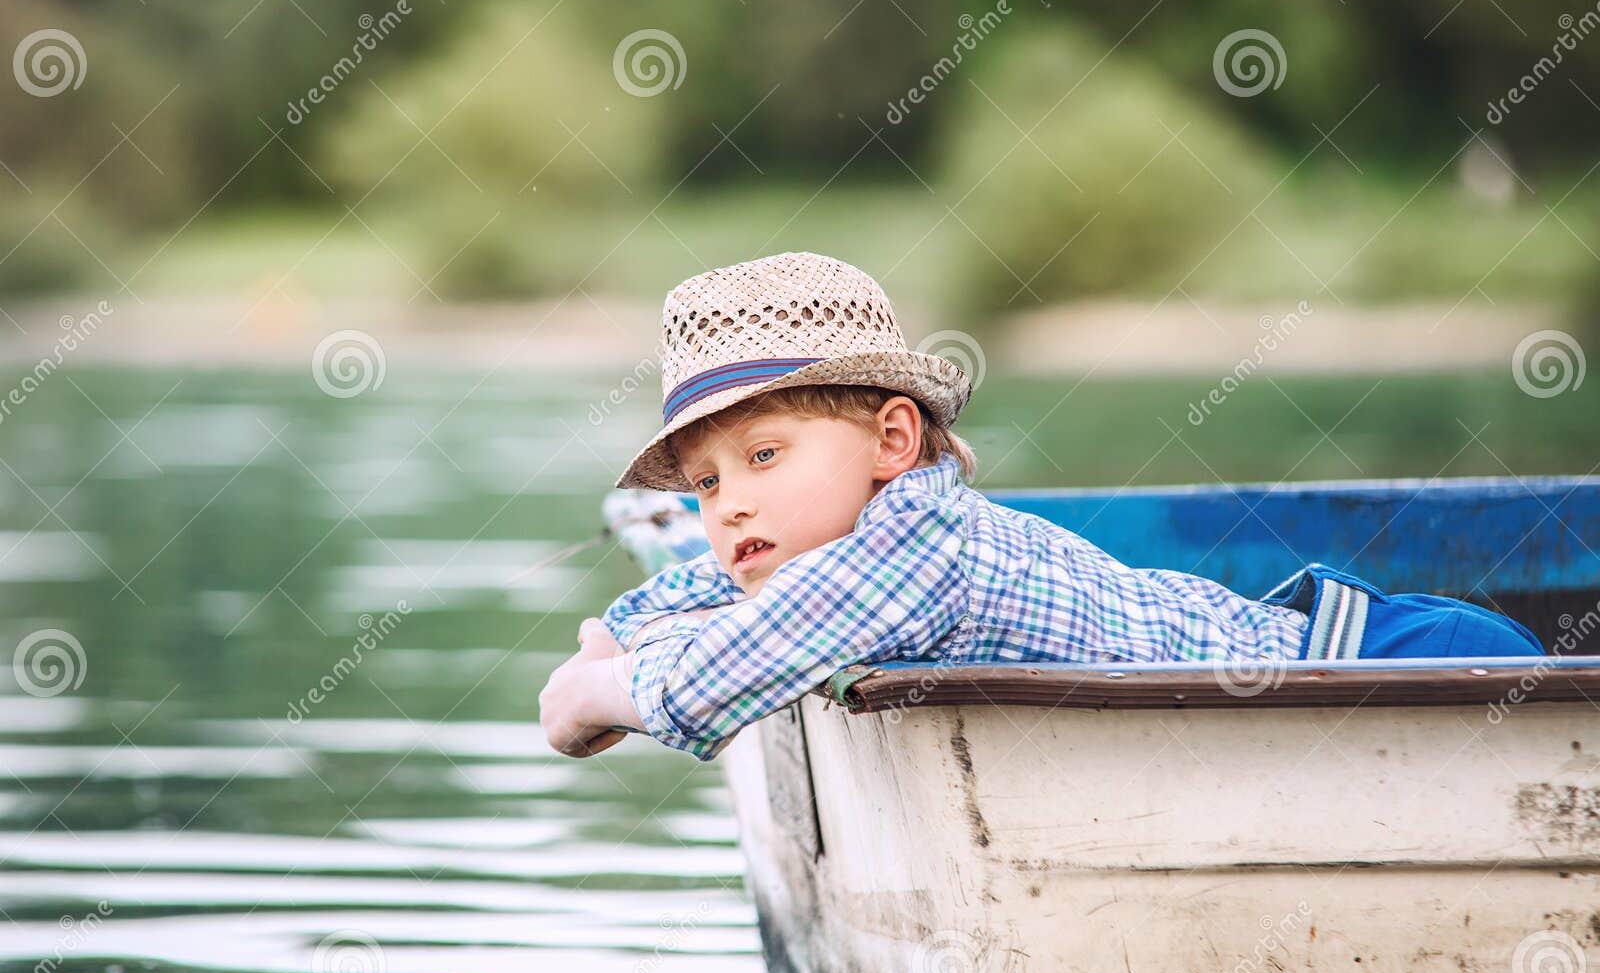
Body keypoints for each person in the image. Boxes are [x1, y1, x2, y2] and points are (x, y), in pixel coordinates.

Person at [537, 252, 1541, 760]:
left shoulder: (905, 554)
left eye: (762, 455)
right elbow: (700, 600)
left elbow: (737, 663)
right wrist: (626, 637)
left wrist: (596, 693)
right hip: (1329, 658)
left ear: (891, 442)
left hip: (1383, 660)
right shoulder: (827, 550)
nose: (730, 502)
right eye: (707, 482)